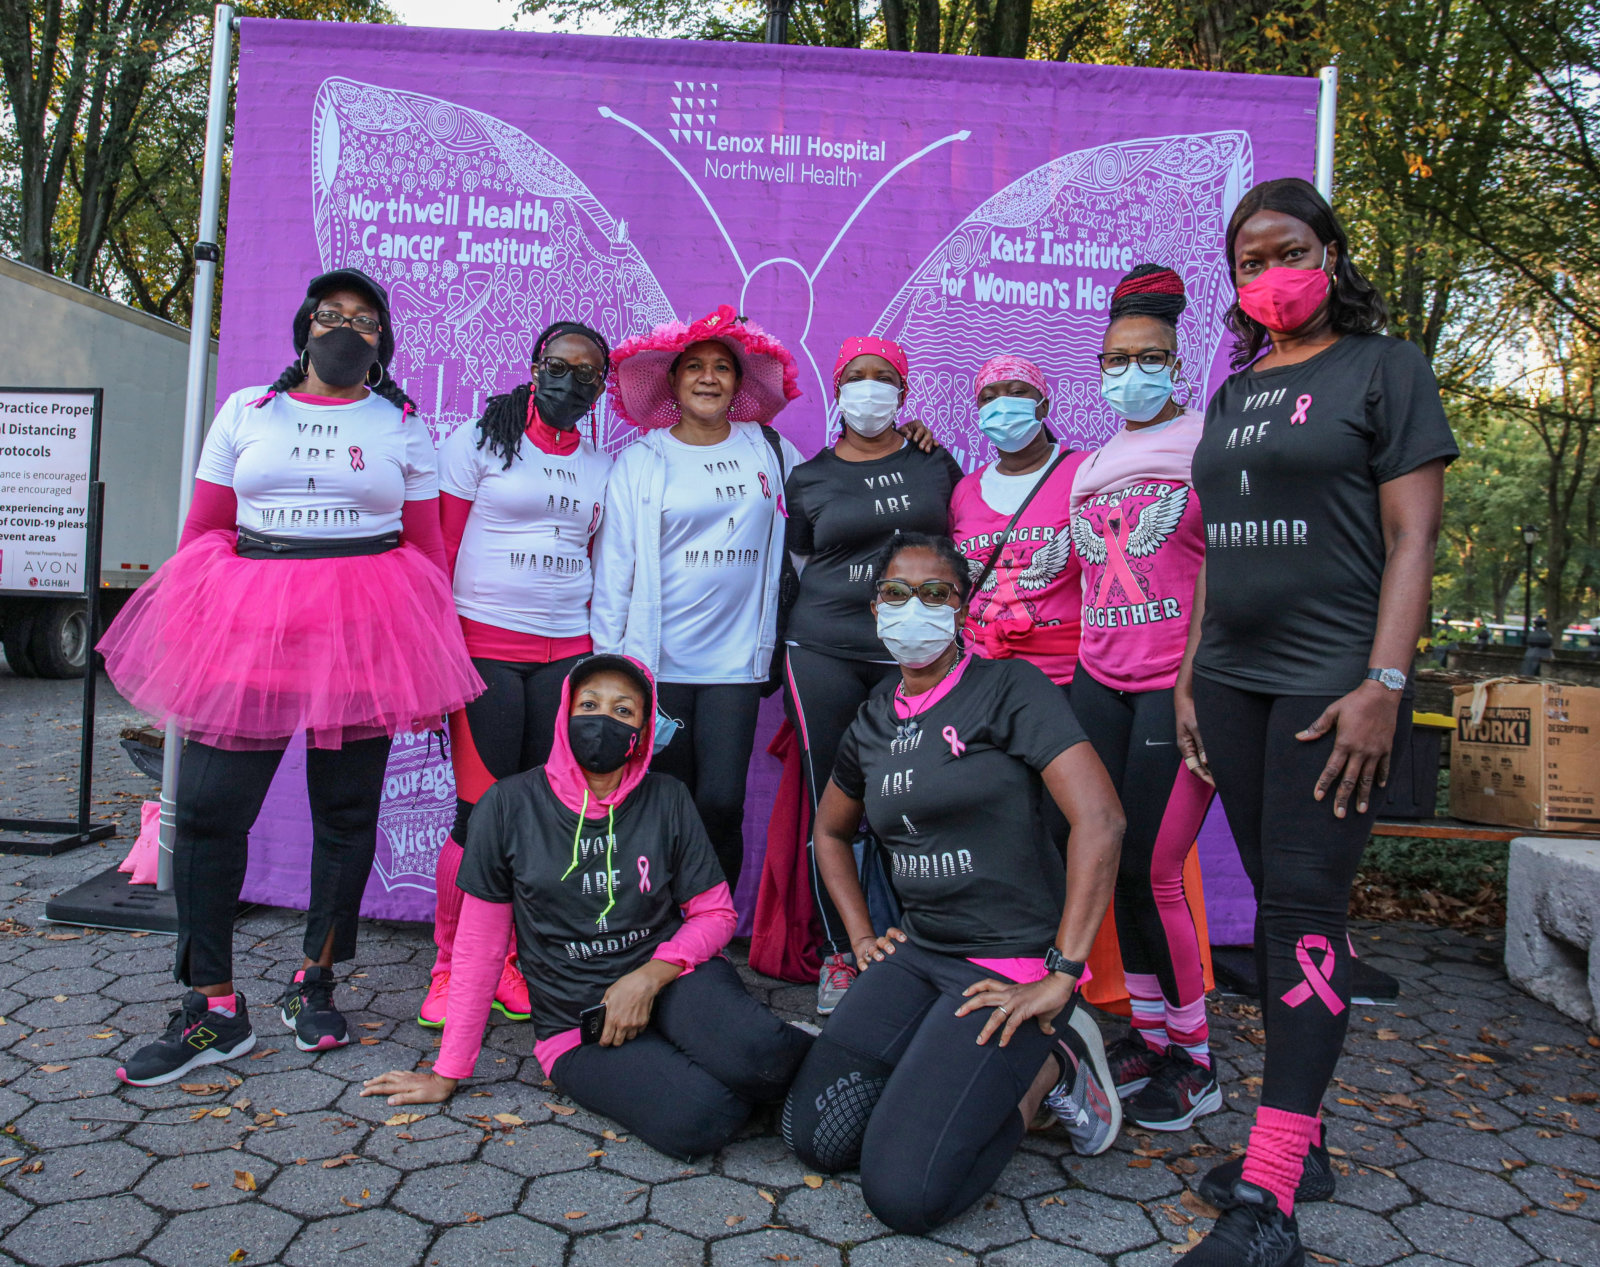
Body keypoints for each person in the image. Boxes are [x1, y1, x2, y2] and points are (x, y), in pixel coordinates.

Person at [99, 268, 482, 1086]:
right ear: (305, 325)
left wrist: (418, 635)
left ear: (383, 342)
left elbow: (424, 547)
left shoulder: (403, 425)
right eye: (333, 314)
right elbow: (205, 526)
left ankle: (317, 980)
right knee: (204, 812)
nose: (348, 328)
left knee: (346, 816)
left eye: (367, 320)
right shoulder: (247, 410)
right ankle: (213, 1004)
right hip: (253, 623)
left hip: (364, 628)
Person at [1176, 178, 1456, 1264]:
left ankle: (1270, 1200)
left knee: (1300, 915)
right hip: (1234, 684)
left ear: (1331, 255)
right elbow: (1216, 548)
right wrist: (1192, 673)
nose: (1268, 274)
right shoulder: (1233, 391)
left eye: (1286, 250)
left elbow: (1412, 542)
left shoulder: (1386, 370)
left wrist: (1384, 686)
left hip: (1331, 688)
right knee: (1293, 916)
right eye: (1247, 262)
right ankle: (1311, 1140)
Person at [783, 533, 1126, 1235]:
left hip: (1010, 965)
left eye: (935, 592)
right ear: (874, 606)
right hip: (919, 949)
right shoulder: (874, 717)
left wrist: (1062, 971)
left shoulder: (1009, 688)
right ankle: (948, 1069)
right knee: (816, 1135)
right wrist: (859, 937)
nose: (915, 608)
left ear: (963, 607)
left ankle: (1054, 1069)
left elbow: (1102, 820)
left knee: (905, 1193)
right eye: (896, 593)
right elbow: (829, 832)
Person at [360, 655, 813, 1158]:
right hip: (578, 1025)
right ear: (564, 714)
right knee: (700, 1117)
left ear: (643, 730)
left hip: (672, 979)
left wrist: (648, 977)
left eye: (624, 711)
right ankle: (741, 1075)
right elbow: (479, 948)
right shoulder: (507, 806)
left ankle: (785, 1063)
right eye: (590, 704)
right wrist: (448, 1072)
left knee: (765, 1056)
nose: (603, 720)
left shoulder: (669, 797)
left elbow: (715, 914)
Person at [420, 321, 615, 1029]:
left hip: (568, 654)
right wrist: (438, 652)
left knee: (542, 817)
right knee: (479, 816)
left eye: (591, 372)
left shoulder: (601, 464)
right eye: (561, 366)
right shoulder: (477, 442)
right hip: (485, 648)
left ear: (602, 386)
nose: (574, 380)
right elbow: (440, 545)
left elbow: (600, 558)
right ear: (535, 366)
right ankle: (448, 967)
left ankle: (506, 960)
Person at [1067, 265, 1219, 1132]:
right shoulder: (1092, 465)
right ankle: (1151, 1035)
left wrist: (1200, 681)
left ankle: (1196, 1061)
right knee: (1116, 858)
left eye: (1151, 357)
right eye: (1119, 360)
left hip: (1176, 686)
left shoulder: (1207, 443)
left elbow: (1226, 573)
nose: (1134, 373)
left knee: (1159, 870)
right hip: (1102, 679)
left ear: (1176, 360)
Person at [591, 305, 802, 893]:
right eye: (694, 368)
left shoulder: (772, 452)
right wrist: (610, 666)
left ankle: (711, 927)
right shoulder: (640, 461)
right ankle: (658, 929)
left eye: (722, 369)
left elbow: (817, 520)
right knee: (664, 804)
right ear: (674, 382)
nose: (708, 378)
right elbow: (615, 570)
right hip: (656, 664)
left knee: (720, 802)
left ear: (738, 384)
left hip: (735, 664)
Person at [783, 336, 965, 1014]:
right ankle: (843, 954)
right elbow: (801, 561)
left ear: (903, 391)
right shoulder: (809, 477)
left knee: (913, 803)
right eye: (854, 376)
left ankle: (916, 949)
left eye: (882, 377)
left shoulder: (934, 462)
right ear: (837, 388)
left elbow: (956, 543)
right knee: (835, 806)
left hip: (915, 656)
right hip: (823, 649)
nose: (868, 388)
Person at [948, 356, 1089, 693]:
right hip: (976, 673)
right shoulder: (965, 490)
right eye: (989, 397)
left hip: (1062, 675)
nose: (1002, 405)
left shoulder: (1086, 472)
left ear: (1043, 407)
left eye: (1017, 393)